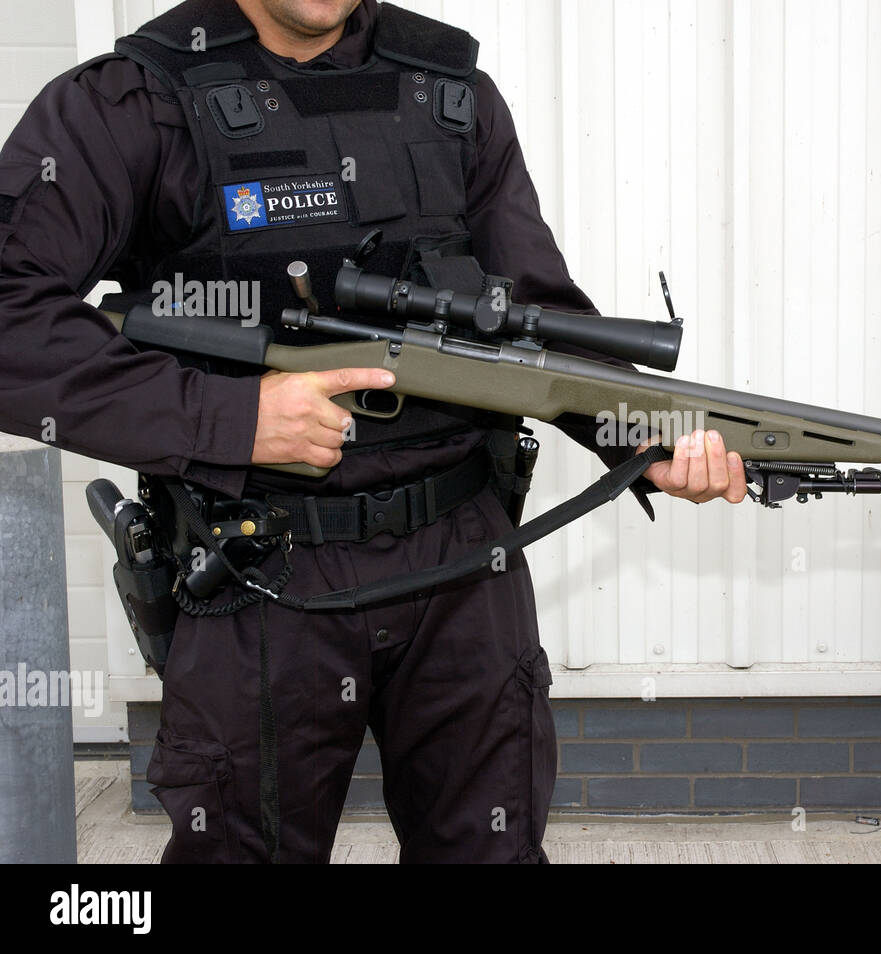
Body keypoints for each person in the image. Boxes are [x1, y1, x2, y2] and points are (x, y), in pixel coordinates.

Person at [0, 0, 747, 863]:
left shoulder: (450, 92)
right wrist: (232, 420)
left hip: (464, 565)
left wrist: (647, 439)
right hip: (257, 569)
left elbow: (537, 323)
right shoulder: (137, 99)